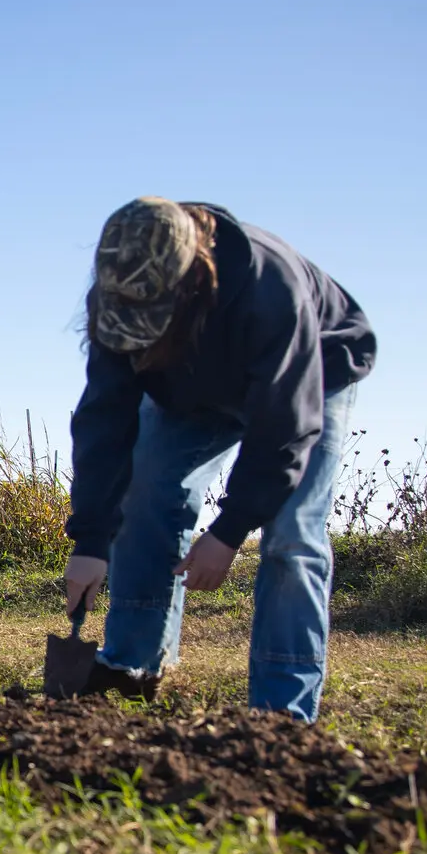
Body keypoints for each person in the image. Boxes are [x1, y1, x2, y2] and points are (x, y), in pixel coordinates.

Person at [62, 197, 376, 721]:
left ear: (190, 281)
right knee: (147, 487)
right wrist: (91, 541)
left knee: (293, 533)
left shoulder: (270, 293)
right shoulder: (121, 290)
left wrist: (228, 532)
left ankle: (281, 711)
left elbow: (284, 430)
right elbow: (105, 417)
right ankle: (131, 667)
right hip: (188, 386)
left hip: (309, 375)